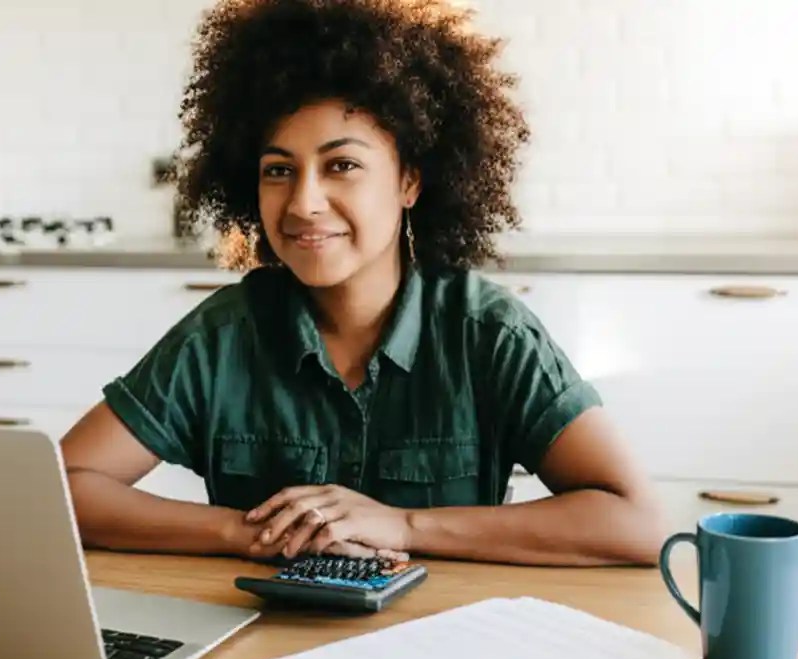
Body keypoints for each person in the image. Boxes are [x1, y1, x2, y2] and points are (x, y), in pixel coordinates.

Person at [60, 0, 666, 567]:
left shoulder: (486, 333)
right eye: (279, 170)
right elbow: (68, 485)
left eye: (341, 165)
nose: (304, 202)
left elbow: (637, 522)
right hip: (258, 651)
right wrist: (249, 532)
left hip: (444, 649)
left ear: (409, 182)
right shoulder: (221, 336)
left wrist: (403, 526)